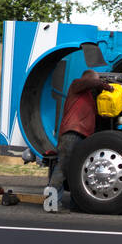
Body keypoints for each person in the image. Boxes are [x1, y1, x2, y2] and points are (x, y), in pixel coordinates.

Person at [46, 69, 116, 211]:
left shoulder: (88, 96)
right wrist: (105, 85)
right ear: (89, 78)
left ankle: (76, 204)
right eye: (96, 79)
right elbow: (91, 82)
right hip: (72, 133)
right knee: (63, 167)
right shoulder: (76, 85)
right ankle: (51, 203)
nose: (97, 82)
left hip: (83, 136)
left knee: (77, 171)